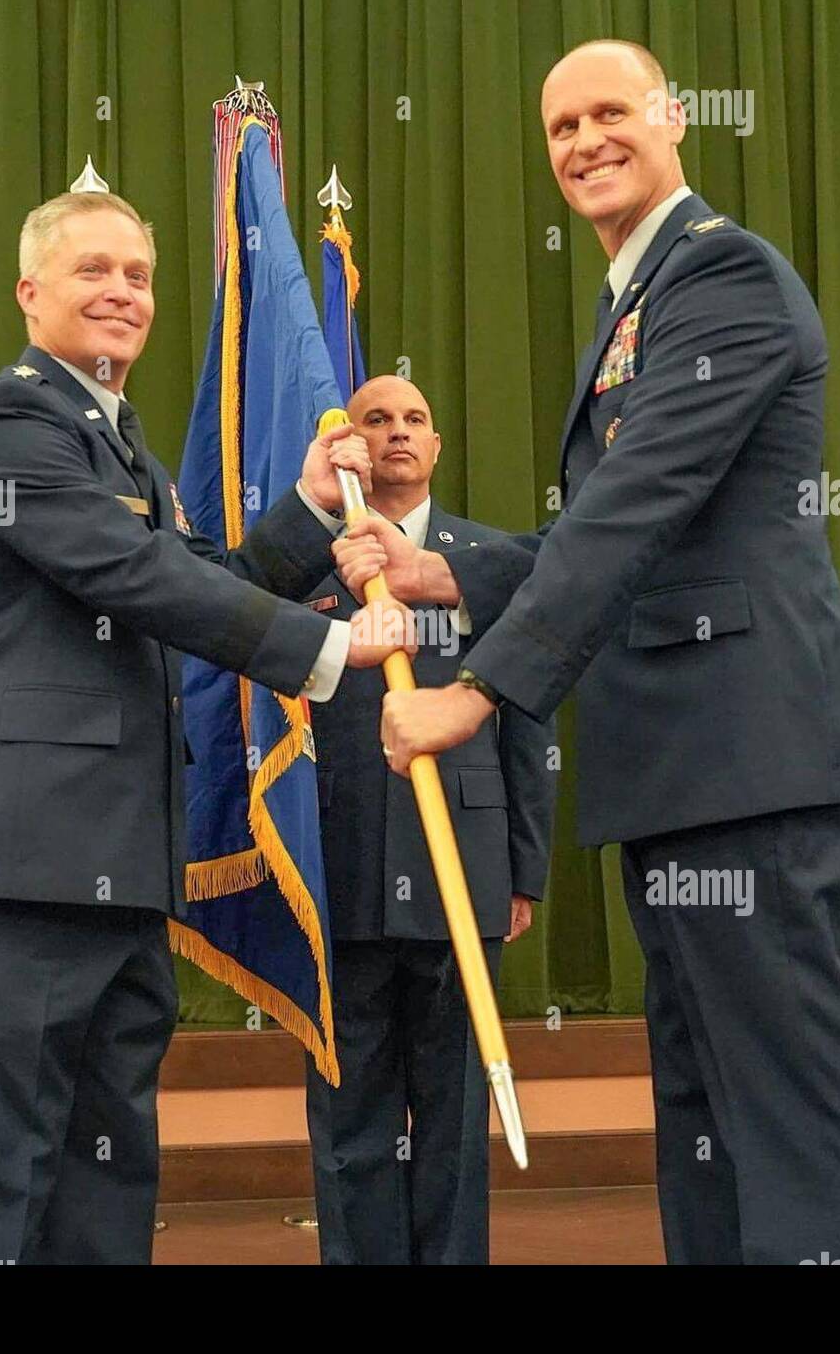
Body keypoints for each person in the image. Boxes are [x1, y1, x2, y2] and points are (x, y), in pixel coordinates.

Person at [344, 41, 840, 1265]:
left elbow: (637, 501)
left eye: (610, 113)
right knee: (706, 1112)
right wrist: (445, 571)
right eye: (560, 128)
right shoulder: (636, 300)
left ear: (675, 118)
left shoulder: (724, 278)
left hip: (748, 763)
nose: (585, 141)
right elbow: (600, 528)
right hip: (685, 775)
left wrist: (477, 688)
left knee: (784, 1113)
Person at [0, 187, 409, 1265]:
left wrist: (314, 508)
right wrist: (326, 651)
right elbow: (132, 575)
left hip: (122, 873)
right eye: (94, 271)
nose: (122, 293)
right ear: (28, 292)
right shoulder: (12, 421)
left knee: (104, 1185)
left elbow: (193, 578)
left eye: (137, 275)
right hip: (23, 868)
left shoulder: (119, 442)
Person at [298, 376, 556, 1264]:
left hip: (467, 868)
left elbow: (527, 717)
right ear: (352, 447)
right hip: (342, 872)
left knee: (450, 1112)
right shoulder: (307, 567)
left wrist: (524, 870)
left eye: (414, 419)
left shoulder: (489, 563)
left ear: (438, 446)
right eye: (377, 419)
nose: (397, 432)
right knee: (350, 1112)